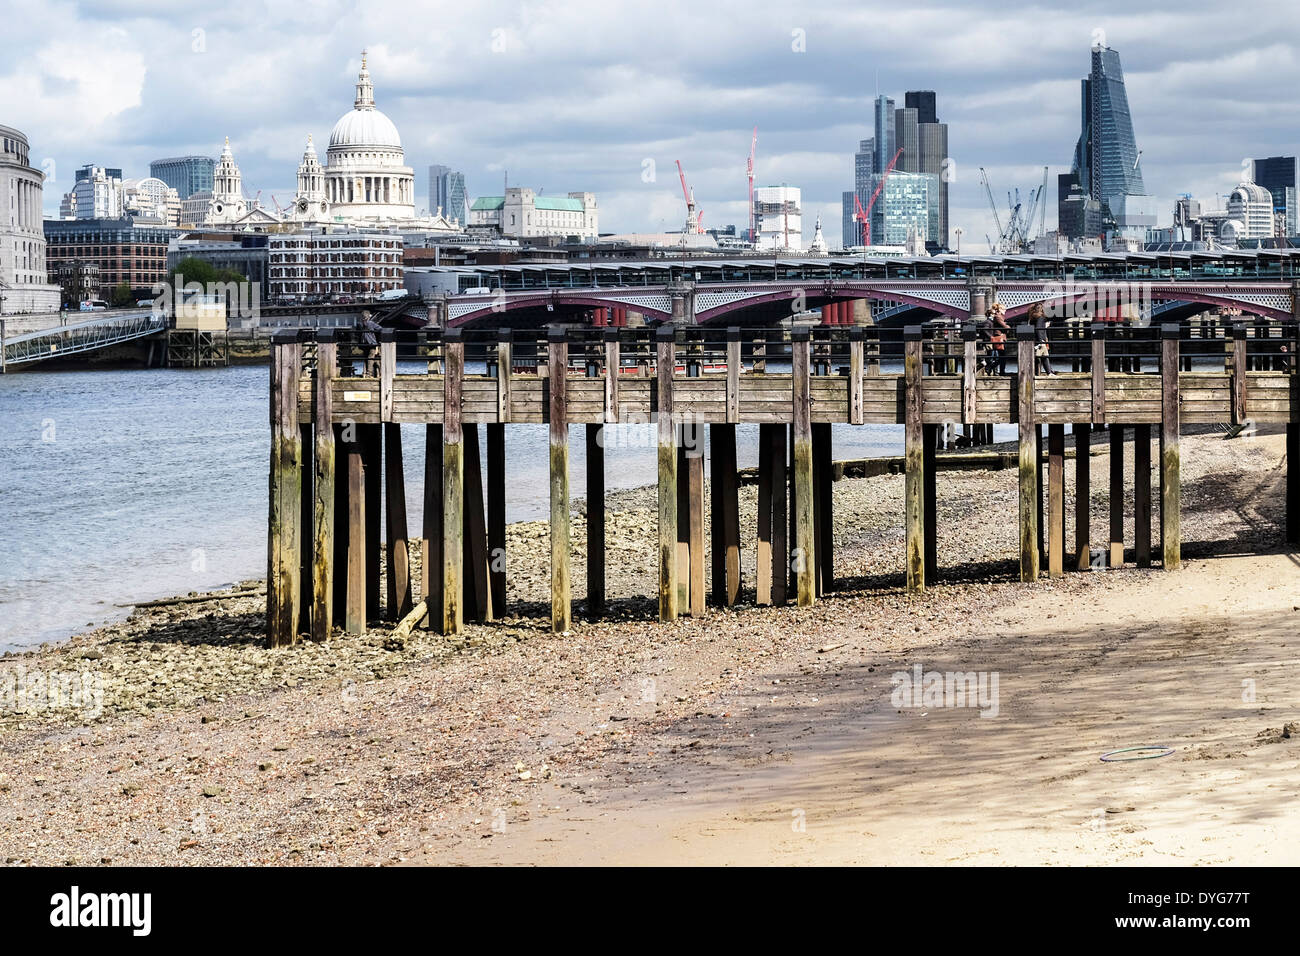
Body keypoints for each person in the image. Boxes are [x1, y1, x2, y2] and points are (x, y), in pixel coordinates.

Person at [1029, 303, 1055, 375]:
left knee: (1040, 357)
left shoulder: (1033, 317)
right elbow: (1038, 329)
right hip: (1040, 339)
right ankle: (1049, 372)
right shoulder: (1041, 317)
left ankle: (1039, 373)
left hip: (1035, 339)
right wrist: (1041, 341)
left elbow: (1035, 328)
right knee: (1044, 356)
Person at [986, 303, 1009, 374]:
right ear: (1000, 310)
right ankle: (991, 367)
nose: (1005, 310)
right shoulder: (998, 317)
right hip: (999, 338)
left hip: (1001, 338)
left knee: (1002, 356)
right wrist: (1008, 327)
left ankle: (992, 368)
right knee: (1002, 356)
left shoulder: (999, 316)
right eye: (1004, 309)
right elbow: (1005, 326)